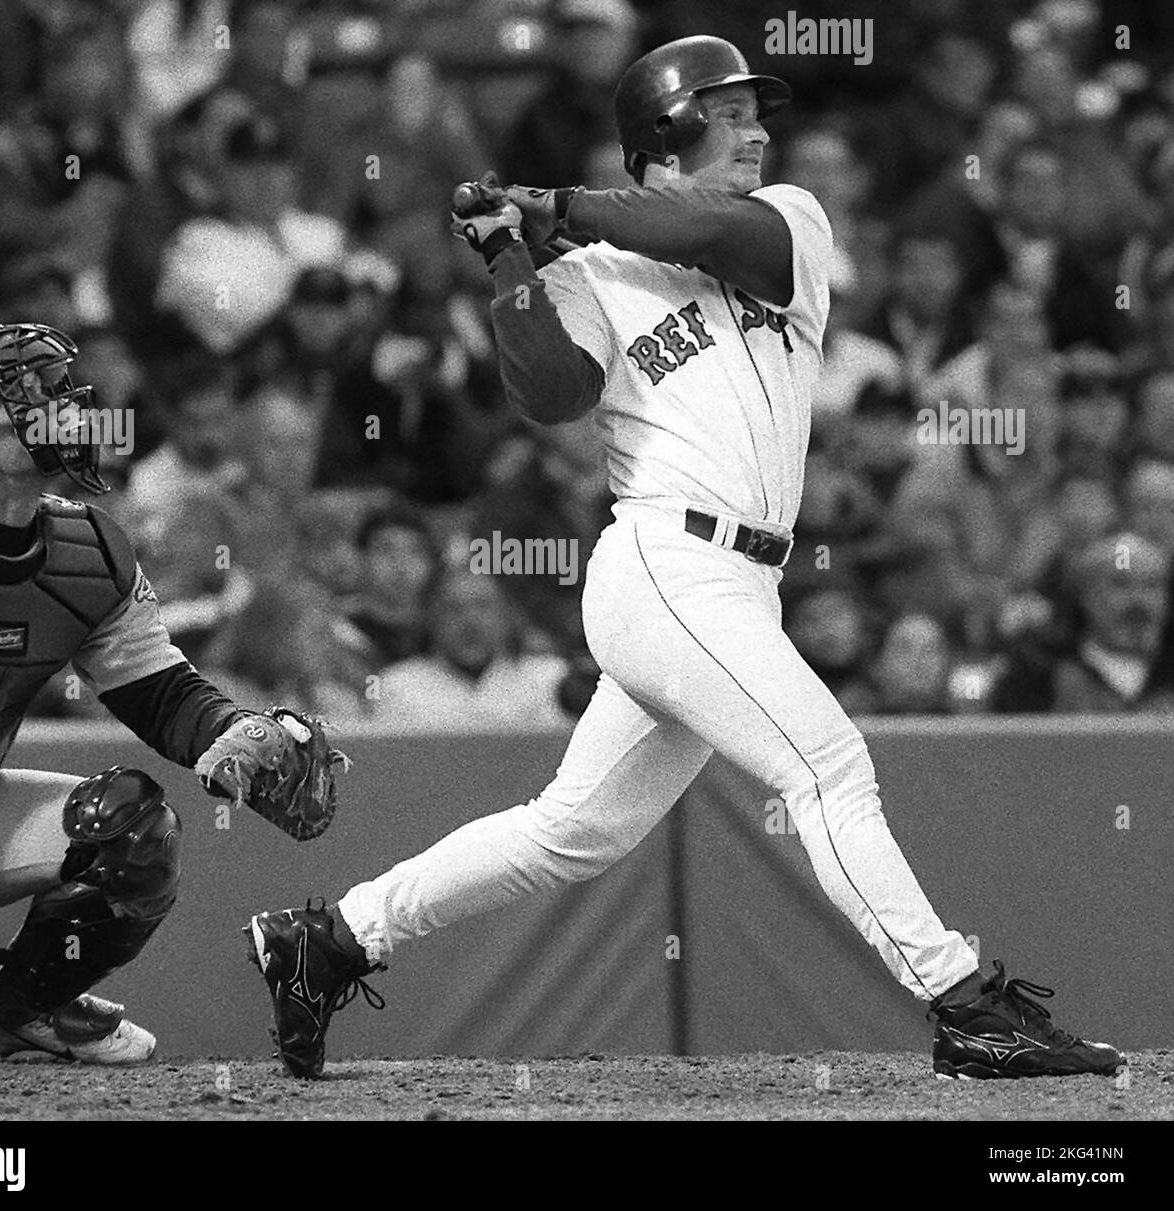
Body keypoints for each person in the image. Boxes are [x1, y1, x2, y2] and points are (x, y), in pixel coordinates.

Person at [245, 36, 1125, 1082]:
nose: (758, 128)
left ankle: (334, 937)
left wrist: (556, 205)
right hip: (667, 561)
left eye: (757, 110)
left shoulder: (786, 218)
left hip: (739, 581)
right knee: (829, 767)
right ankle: (961, 999)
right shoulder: (587, 274)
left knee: (571, 829)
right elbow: (550, 395)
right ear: (664, 132)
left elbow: (705, 228)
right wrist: (510, 261)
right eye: (728, 111)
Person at [0, 323, 334, 1064]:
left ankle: (24, 1005)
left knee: (133, 826)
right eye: (28, 401)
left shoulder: (87, 550)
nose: (63, 411)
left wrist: (236, 730)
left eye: (58, 392)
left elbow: (157, 692)